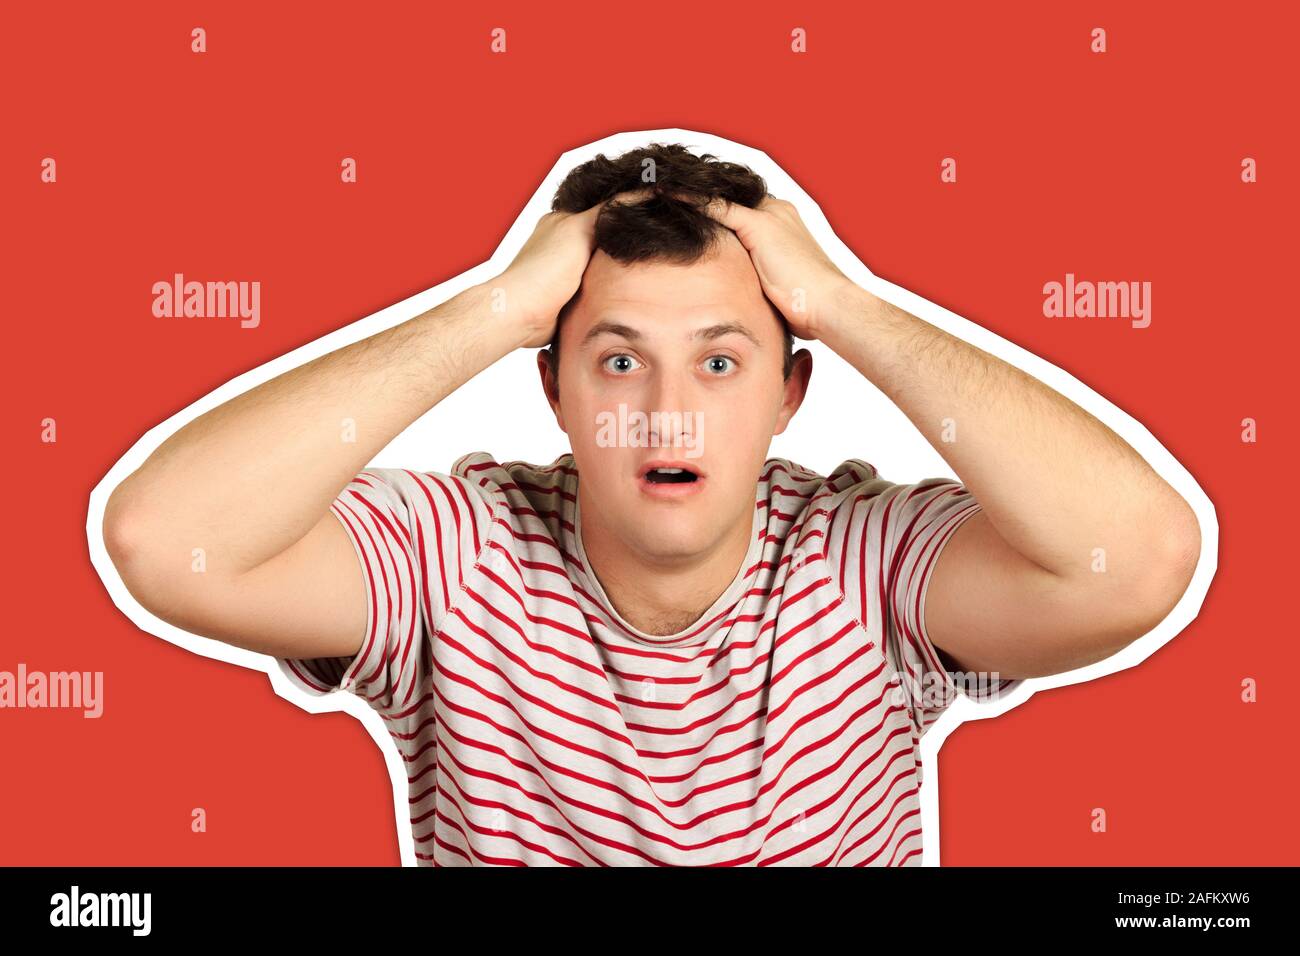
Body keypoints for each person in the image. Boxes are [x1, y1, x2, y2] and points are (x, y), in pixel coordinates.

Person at [101, 142, 1200, 866]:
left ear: (789, 394)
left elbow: (1138, 559)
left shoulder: (861, 558)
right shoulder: (460, 550)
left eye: (721, 364)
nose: (668, 414)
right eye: (619, 362)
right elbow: (166, 541)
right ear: (555, 388)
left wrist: (845, 304)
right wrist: (495, 306)